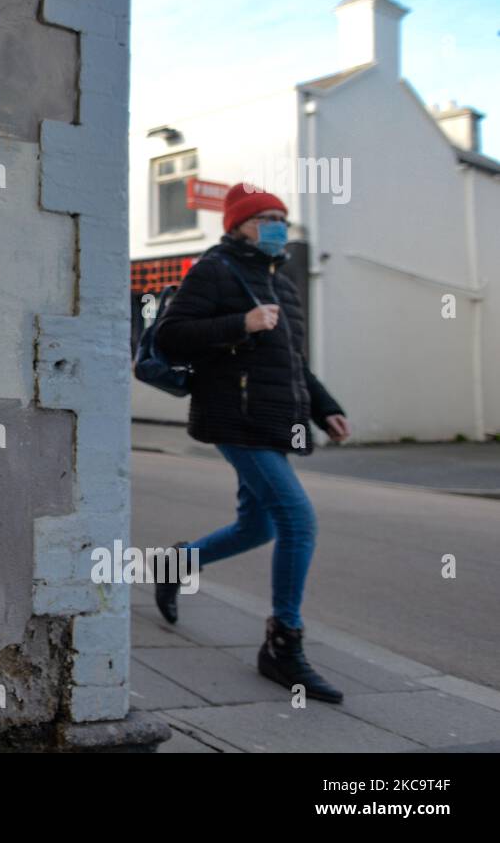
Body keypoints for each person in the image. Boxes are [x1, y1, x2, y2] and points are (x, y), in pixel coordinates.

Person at [153, 183, 351, 703]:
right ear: (236, 225)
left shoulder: (282, 283)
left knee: (258, 524)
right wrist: (239, 322)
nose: (275, 224)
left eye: (280, 216)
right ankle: (282, 645)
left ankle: (177, 563)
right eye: (263, 216)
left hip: (274, 420)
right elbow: (171, 337)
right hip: (233, 417)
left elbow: (291, 362)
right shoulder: (215, 269)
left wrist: (323, 406)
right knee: (297, 520)